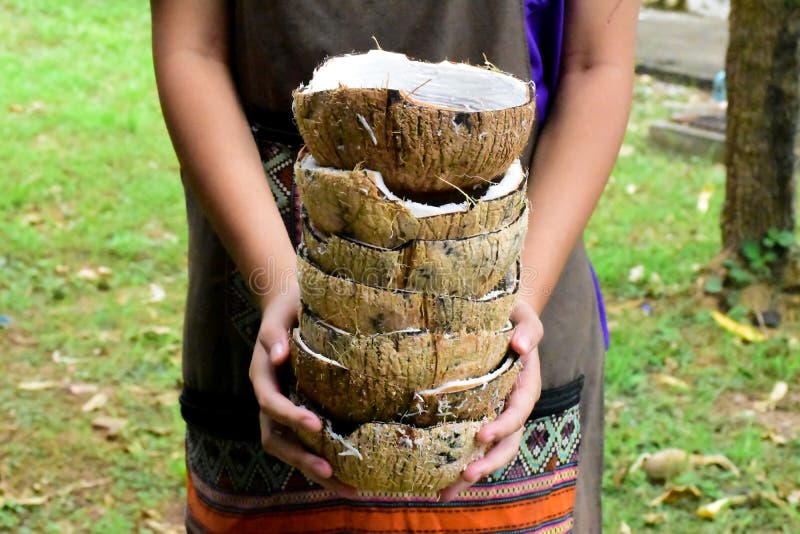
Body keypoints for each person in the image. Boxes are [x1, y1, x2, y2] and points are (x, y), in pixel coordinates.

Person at [150, 1, 637, 532]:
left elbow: (597, 65)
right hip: (266, 282)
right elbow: (191, 48)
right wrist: (281, 284)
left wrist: (512, 305)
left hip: (517, 287)